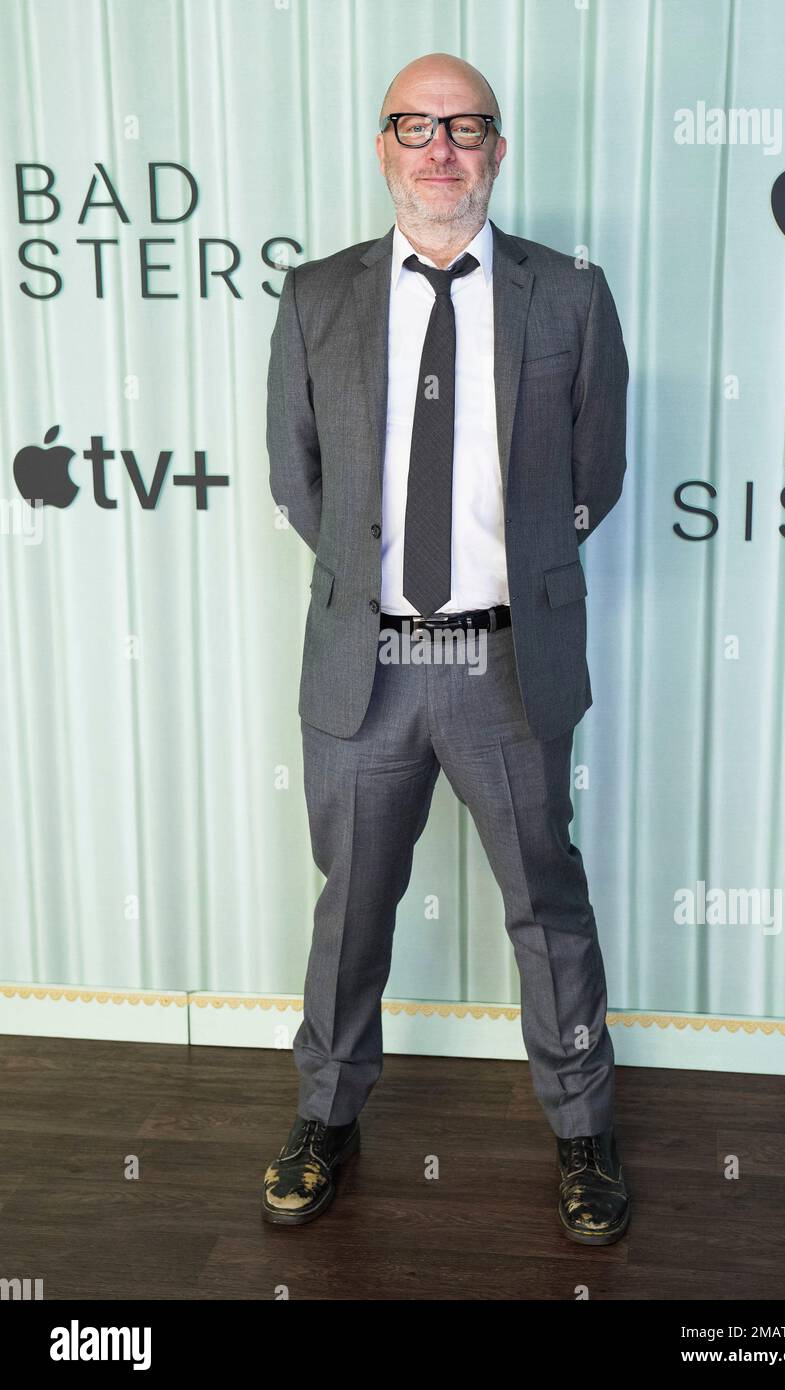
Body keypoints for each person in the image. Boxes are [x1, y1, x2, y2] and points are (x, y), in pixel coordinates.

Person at [262, 52, 630, 1245]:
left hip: (504, 670)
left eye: (464, 129)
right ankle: (326, 1114)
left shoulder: (567, 296)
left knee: (546, 909)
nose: (440, 150)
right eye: (414, 127)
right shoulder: (317, 296)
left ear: (496, 152)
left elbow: (595, 473)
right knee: (350, 911)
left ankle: (582, 1133)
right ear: (382, 148)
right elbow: (296, 476)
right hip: (364, 669)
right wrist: (383, 594)